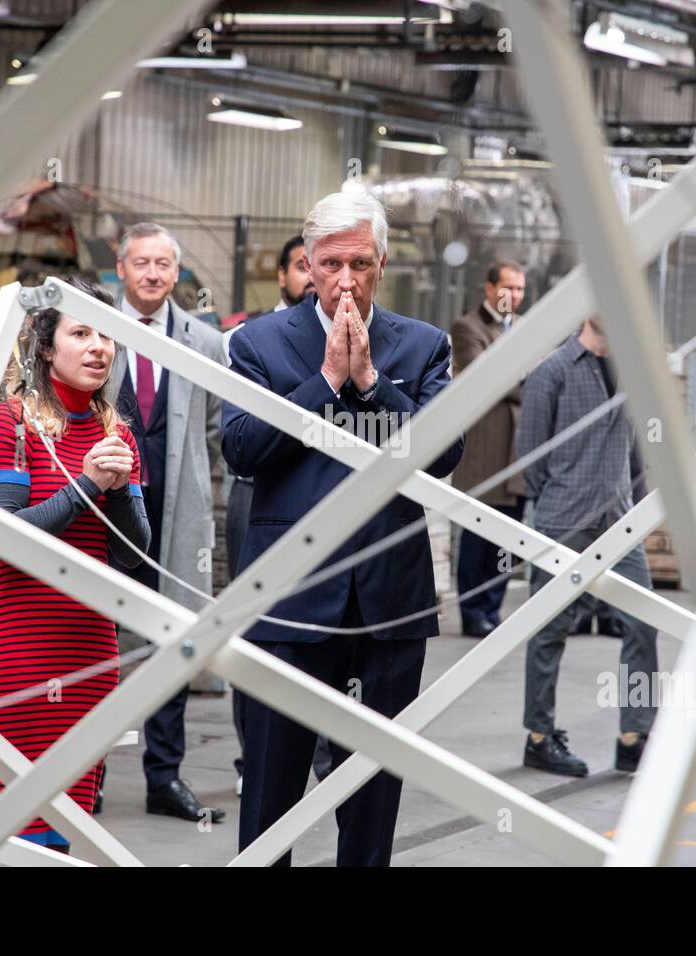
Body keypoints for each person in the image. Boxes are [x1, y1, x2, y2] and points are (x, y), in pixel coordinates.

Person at [224, 187, 464, 866]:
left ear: (382, 263)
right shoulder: (259, 344)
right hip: (289, 604)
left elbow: (443, 454)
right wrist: (326, 381)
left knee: (371, 798)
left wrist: (371, 384)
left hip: (388, 605)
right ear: (307, 262)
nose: (345, 280)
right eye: (330, 264)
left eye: (359, 262)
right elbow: (241, 449)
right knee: (271, 794)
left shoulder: (421, 348)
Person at [0, 277, 150, 854]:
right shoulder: (11, 425)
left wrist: (117, 489)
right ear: (45, 347)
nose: (99, 347)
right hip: (16, 653)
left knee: (64, 825)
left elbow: (133, 553)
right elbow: (8, 539)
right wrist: (91, 482)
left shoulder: (116, 432)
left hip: (89, 657)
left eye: (107, 335)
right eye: (81, 333)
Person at [104, 222, 226, 824]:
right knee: (93, 642)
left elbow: (213, 433)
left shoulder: (205, 343)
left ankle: (164, 776)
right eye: (141, 263)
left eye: (163, 265)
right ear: (120, 268)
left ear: (177, 274)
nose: (152, 274)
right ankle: (85, 774)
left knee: (173, 644)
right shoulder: (93, 329)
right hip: (105, 514)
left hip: (175, 513)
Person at [515, 316, 658, 777]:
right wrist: (560, 499)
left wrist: (631, 502)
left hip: (619, 521)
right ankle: (539, 737)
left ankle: (634, 737)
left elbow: (636, 449)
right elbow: (530, 454)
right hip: (564, 520)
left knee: (643, 625)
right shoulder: (552, 371)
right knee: (550, 630)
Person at [224, 234, 327, 796]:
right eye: (310, 266)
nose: (322, 278)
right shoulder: (255, 341)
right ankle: (256, 758)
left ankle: (327, 752)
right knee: (258, 622)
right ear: (290, 273)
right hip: (262, 497)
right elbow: (240, 439)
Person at [450, 259, 528, 638]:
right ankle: (472, 612)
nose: (513, 296)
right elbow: (487, 379)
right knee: (478, 537)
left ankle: (493, 609)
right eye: (507, 288)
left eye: (519, 289)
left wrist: (520, 375)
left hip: (517, 453)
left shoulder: (526, 328)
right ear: (489, 288)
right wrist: (526, 375)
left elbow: (530, 376)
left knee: (508, 538)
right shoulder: (468, 327)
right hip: (484, 452)